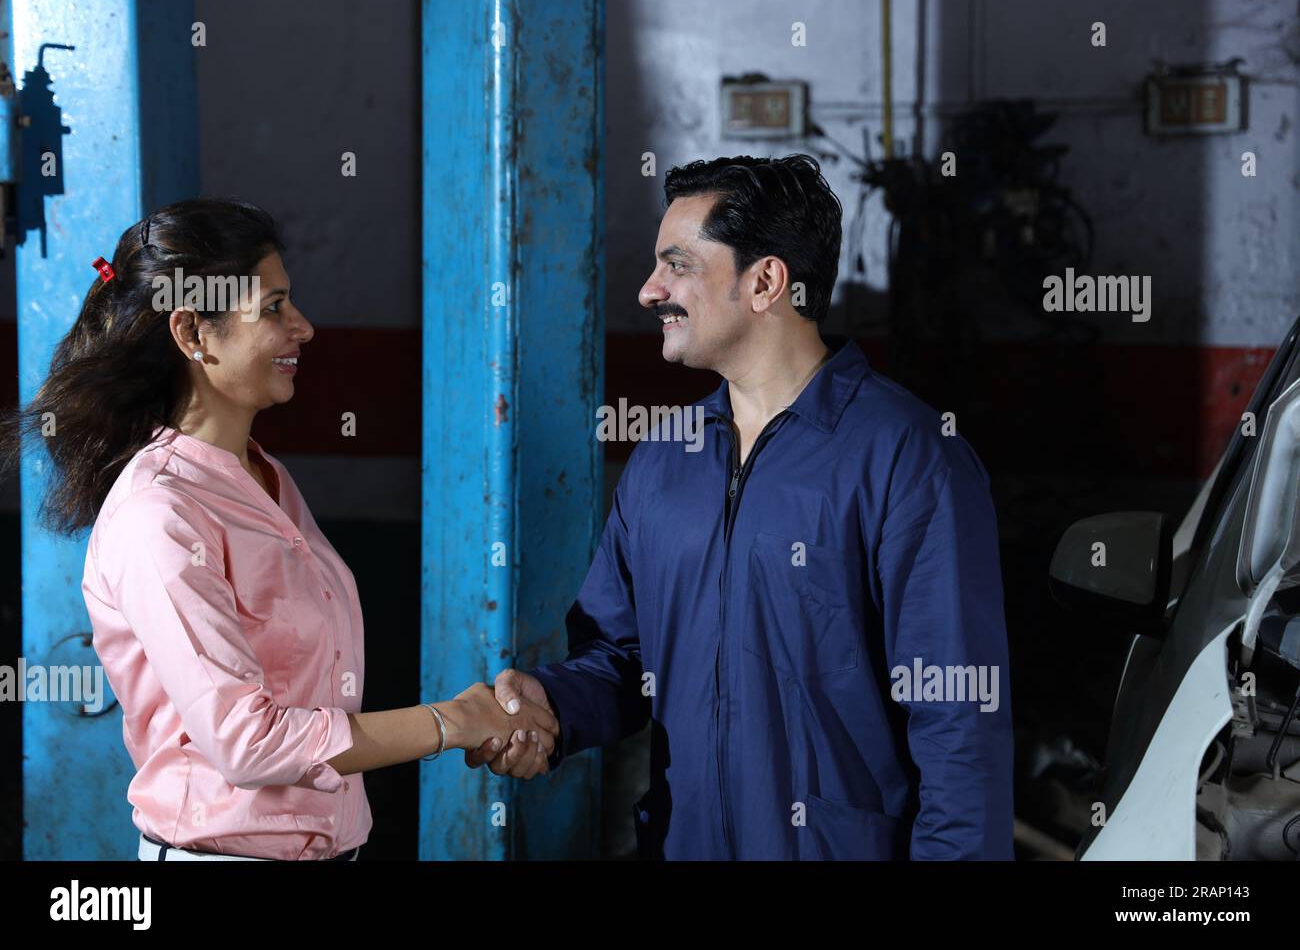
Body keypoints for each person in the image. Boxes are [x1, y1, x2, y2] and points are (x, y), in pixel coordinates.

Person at [465, 154, 1015, 859]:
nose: (648, 290)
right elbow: (622, 654)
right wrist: (552, 706)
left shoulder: (907, 458)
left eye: (678, 265)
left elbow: (959, 722)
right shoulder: (666, 459)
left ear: (766, 282)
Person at [0, 197, 556, 861]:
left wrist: (470, 719)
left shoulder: (265, 479)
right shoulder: (160, 513)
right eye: (272, 309)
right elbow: (246, 741)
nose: (304, 327)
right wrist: (452, 723)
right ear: (194, 335)